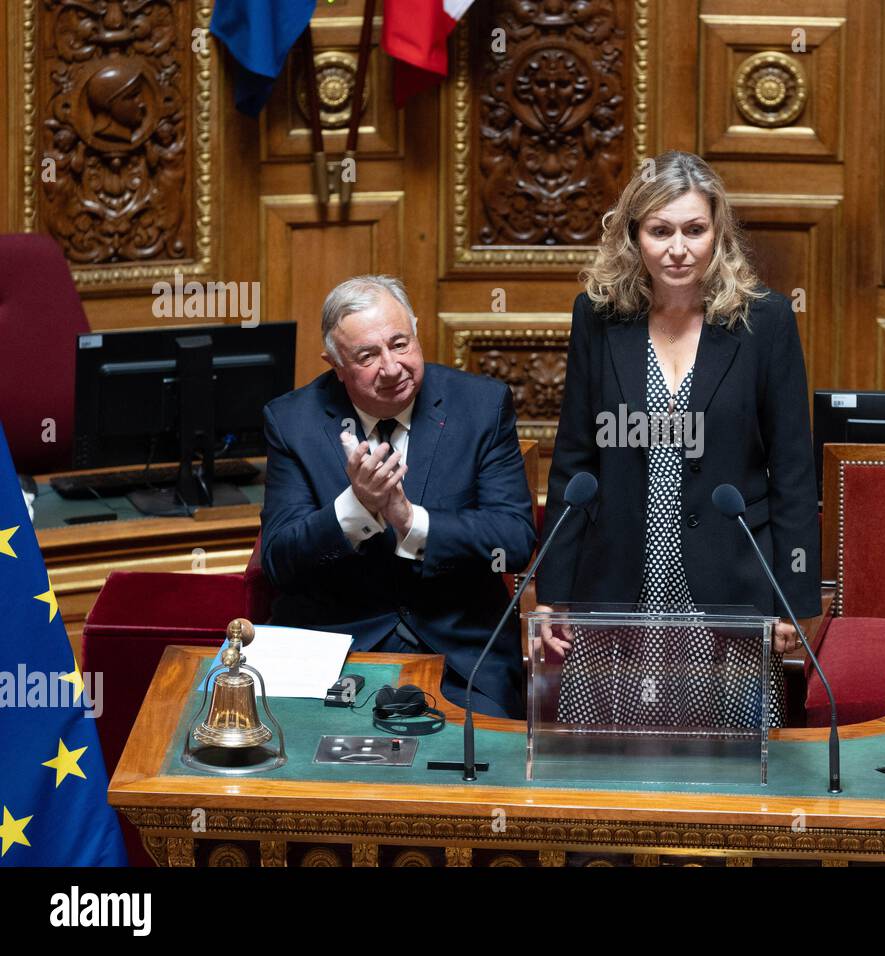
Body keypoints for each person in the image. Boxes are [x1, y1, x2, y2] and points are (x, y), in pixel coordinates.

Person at [533, 150, 821, 728]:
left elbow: (792, 471)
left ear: (719, 233)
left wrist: (792, 598)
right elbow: (574, 458)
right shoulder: (598, 316)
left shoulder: (764, 322)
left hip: (732, 577)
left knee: (731, 760)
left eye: (695, 230)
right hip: (618, 570)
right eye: (660, 231)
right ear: (633, 236)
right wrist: (551, 591)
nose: (678, 248)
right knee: (614, 757)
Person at [259, 275, 536, 718]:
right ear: (335, 363)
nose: (391, 368)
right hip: (335, 648)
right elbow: (279, 561)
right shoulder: (293, 420)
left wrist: (411, 522)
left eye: (400, 344)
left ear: (416, 330)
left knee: (477, 773)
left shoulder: (481, 406)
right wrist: (356, 508)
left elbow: (515, 540)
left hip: (462, 653)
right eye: (367, 356)